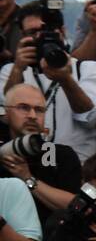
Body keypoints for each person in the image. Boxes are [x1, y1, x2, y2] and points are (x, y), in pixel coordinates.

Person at [1, 0, 96, 163]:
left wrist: (66, 79)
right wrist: (18, 69)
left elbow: (91, 119)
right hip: (24, 165)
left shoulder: (87, 69)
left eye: (47, 31)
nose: (40, 37)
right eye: (32, 32)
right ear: (22, 37)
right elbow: (4, 114)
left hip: (77, 167)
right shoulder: (11, 71)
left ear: (63, 32)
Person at [0, 84, 82, 227]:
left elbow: (76, 206)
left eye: (39, 110)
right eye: (24, 107)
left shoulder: (60, 155)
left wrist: (27, 178)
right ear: (6, 114)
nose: (32, 116)